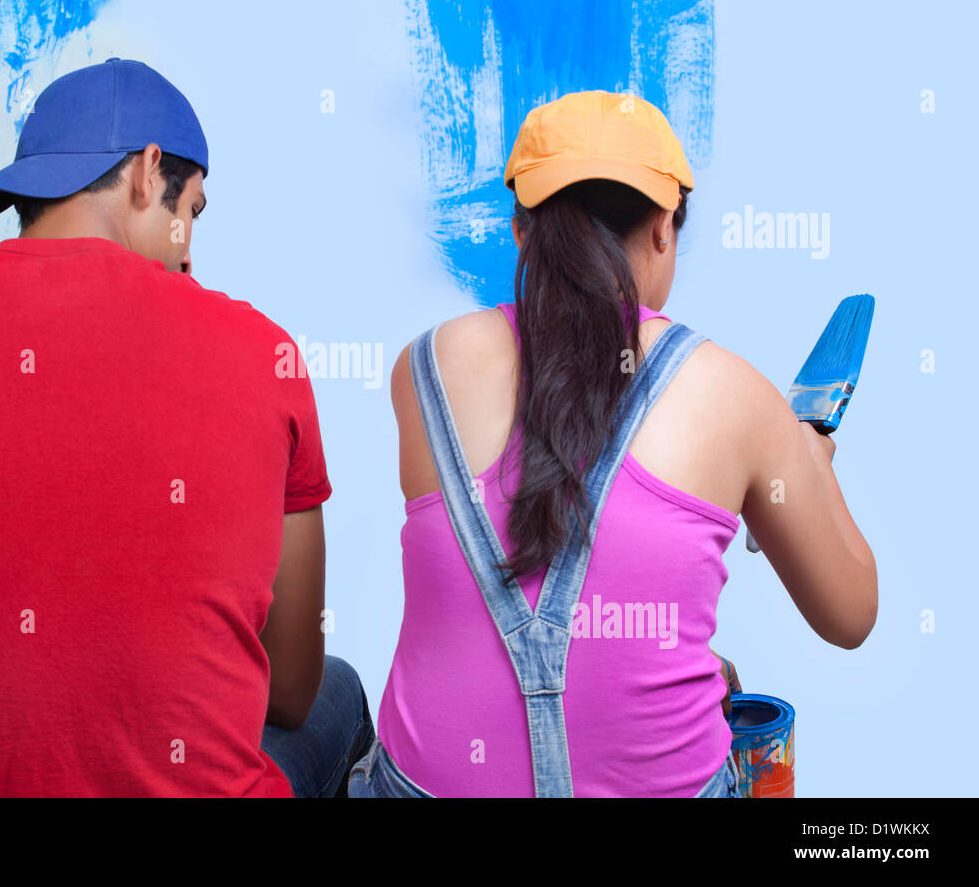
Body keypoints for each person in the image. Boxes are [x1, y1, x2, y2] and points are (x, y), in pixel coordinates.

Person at [0, 57, 374, 797]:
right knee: (340, 690)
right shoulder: (265, 352)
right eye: (194, 213)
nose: (189, 250)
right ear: (148, 175)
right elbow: (291, 693)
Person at [350, 90, 876, 797]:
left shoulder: (424, 368)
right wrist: (807, 459)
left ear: (519, 231)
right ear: (665, 229)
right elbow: (850, 615)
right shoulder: (733, 395)